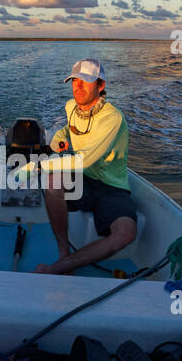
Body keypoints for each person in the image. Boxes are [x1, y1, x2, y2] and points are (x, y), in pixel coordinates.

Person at [24, 58, 137, 275]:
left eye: (85, 81)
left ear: (101, 85)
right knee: (53, 182)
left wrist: (45, 165)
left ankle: (59, 268)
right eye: (74, 81)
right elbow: (69, 130)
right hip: (83, 179)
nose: (78, 87)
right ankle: (64, 252)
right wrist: (58, 141)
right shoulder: (71, 107)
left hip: (112, 186)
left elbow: (84, 159)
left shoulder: (111, 118)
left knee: (126, 234)